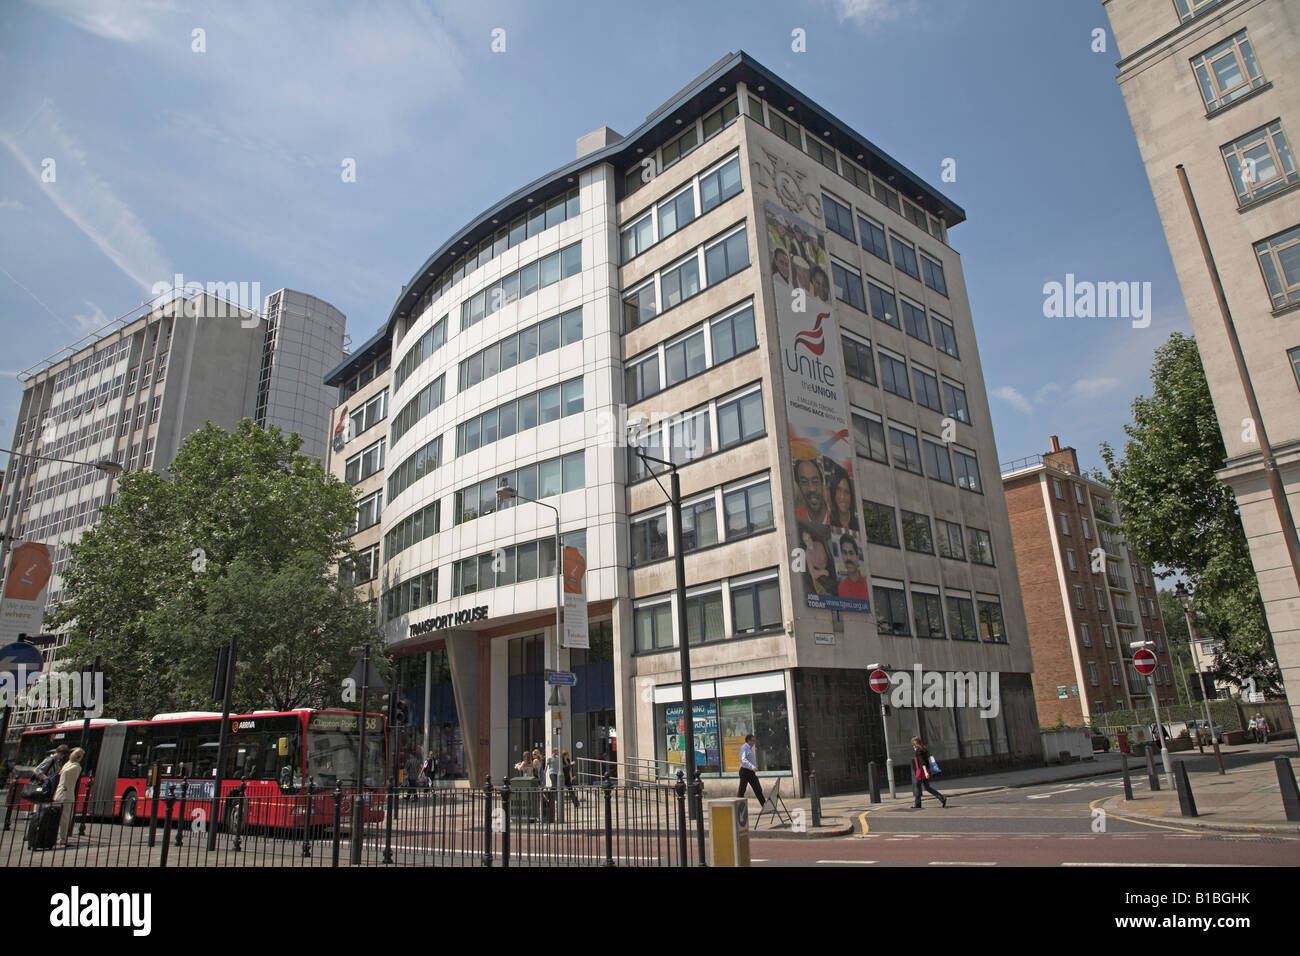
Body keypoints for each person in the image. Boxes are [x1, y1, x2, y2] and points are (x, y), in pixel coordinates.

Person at [54, 747, 84, 846]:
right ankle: (62, 839)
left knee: (57, 817)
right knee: (65, 817)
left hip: (58, 793)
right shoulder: (77, 767)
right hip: (68, 794)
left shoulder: (66, 765)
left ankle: (54, 836)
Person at [911, 737, 947, 809]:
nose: (913, 746)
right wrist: (927, 772)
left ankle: (917, 804)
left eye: (913, 745)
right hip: (927, 770)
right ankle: (942, 798)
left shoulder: (918, 751)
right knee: (927, 787)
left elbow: (922, 762)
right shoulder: (924, 749)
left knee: (917, 786)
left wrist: (925, 772)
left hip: (921, 772)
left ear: (915, 744)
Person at [795, 459, 829, 524]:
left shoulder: (836, 517)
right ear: (799, 487)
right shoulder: (795, 518)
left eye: (815, 481)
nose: (812, 489)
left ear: (822, 484)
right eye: (804, 482)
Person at [837, 535, 870, 601]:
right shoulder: (840, 589)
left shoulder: (868, 585)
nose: (848, 558)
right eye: (845, 553)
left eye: (851, 553)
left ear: (857, 557)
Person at [737, 734, 765, 807]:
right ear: (748, 741)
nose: (754, 742)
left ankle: (764, 805)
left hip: (751, 772)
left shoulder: (749, 749)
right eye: (752, 741)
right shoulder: (744, 747)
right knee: (742, 790)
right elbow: (743, 760)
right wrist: (752, 767)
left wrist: (753, 768)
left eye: (754, 741)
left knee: (758, 789)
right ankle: (738, 807)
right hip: (745, 771)